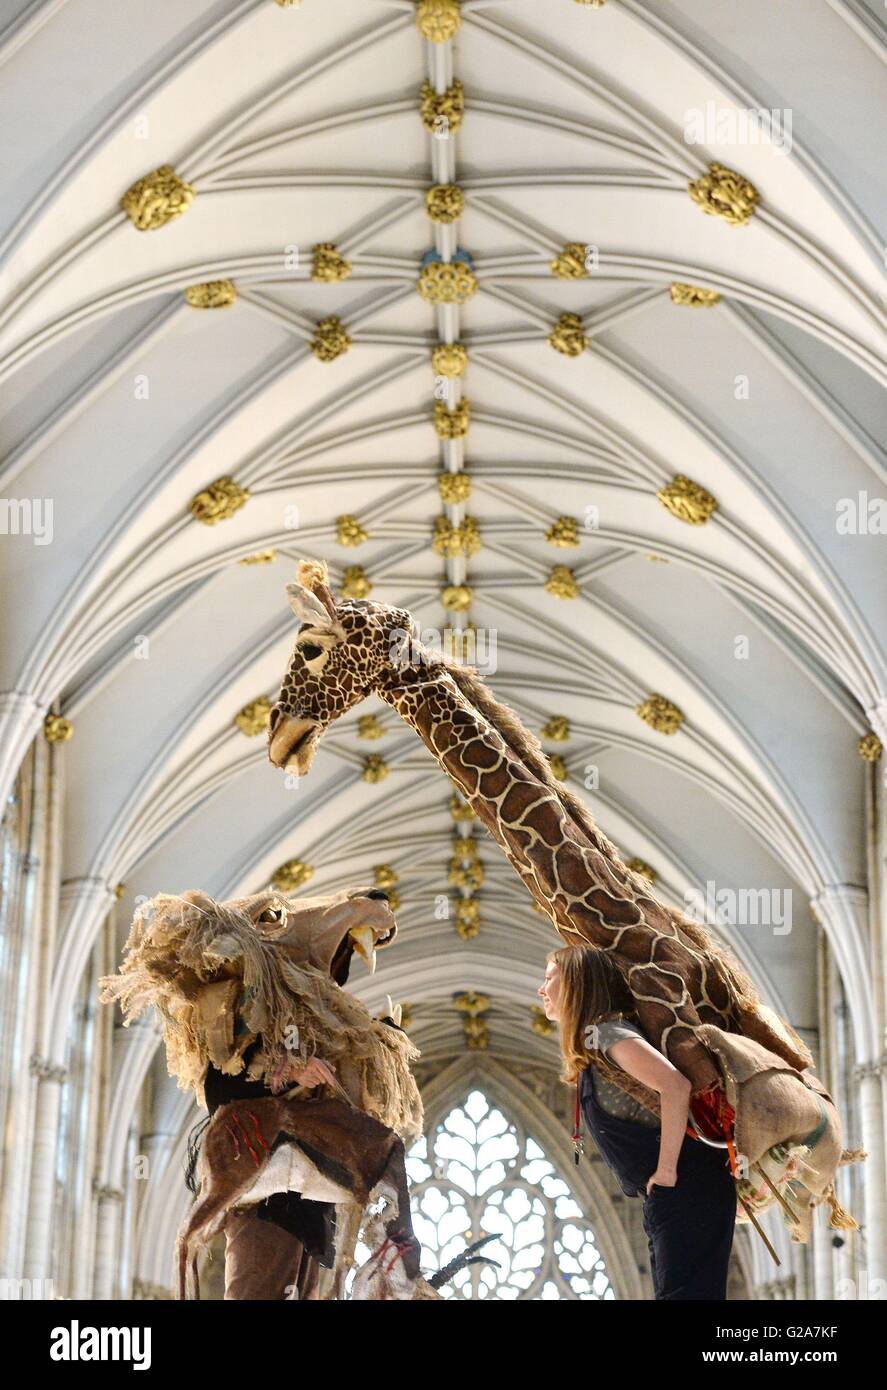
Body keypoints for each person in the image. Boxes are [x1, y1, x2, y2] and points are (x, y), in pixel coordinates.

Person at [539, 944, 737, 1300]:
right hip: (675, 1195)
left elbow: (675, 1085)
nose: (541, 989)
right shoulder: (594, 1043)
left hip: (688, 1187)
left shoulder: (608, 1033)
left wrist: (666, 1172)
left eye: (549, 978)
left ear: (575, 984)